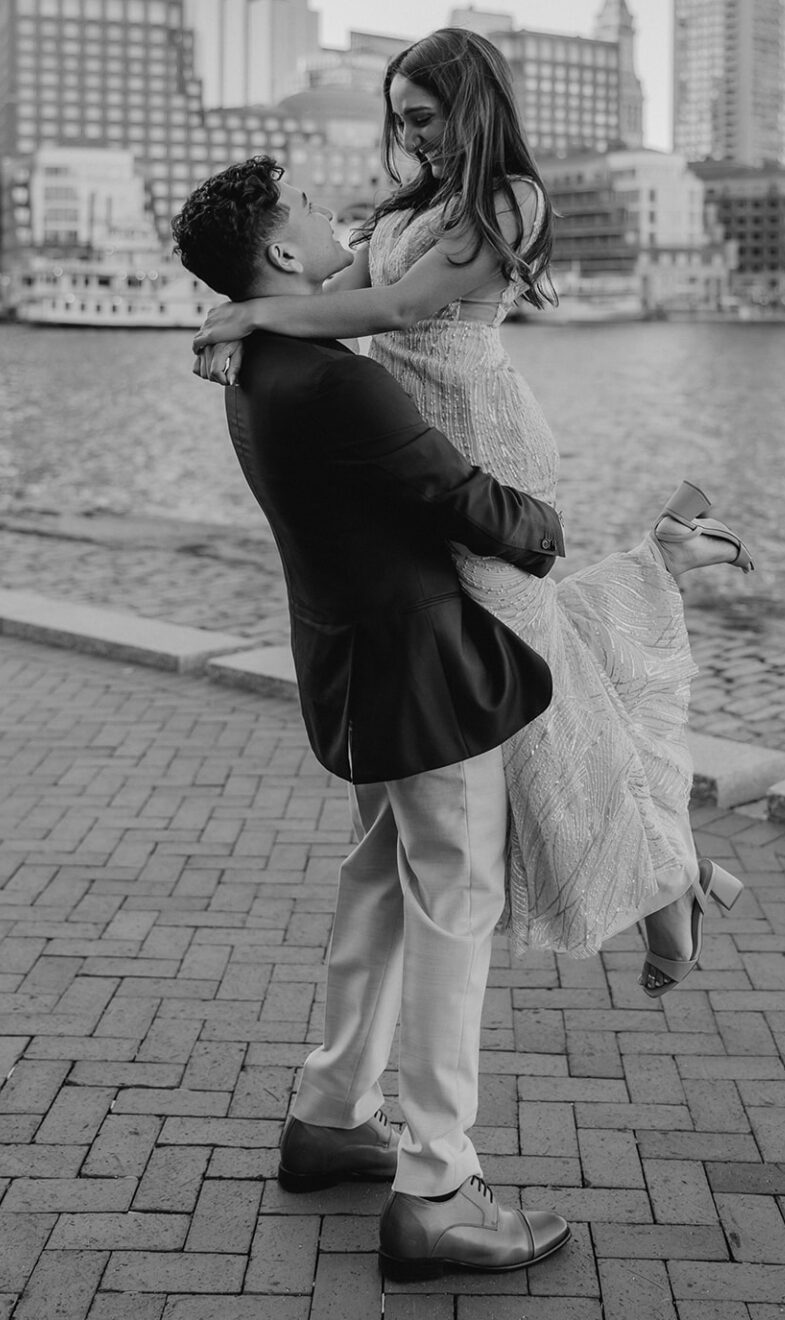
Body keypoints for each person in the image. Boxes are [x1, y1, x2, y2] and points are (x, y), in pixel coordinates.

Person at [192, 28, 748, 994]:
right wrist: (245, 309)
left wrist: (251, 314)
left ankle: (667, 890)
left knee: (535, 698)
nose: (413, 136)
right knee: (537, 677)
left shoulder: (510, 198)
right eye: (400, 120)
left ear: (473, 105)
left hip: (486, 444)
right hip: (419, 449)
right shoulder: (412, 202)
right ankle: (676, 874)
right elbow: (345, 295)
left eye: (426, 116)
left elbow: (401, 312)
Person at [172, 159, 571, 1280]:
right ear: (286, 255)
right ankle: (438, 1184)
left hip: (351, 661)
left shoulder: (255, 362)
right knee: (455, 901)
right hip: (420, 672)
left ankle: (334, 1110)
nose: (333, 214)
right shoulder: (332, 379)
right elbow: (450, 492)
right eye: (309, 208)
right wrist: (545, 527)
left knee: (377, 882)